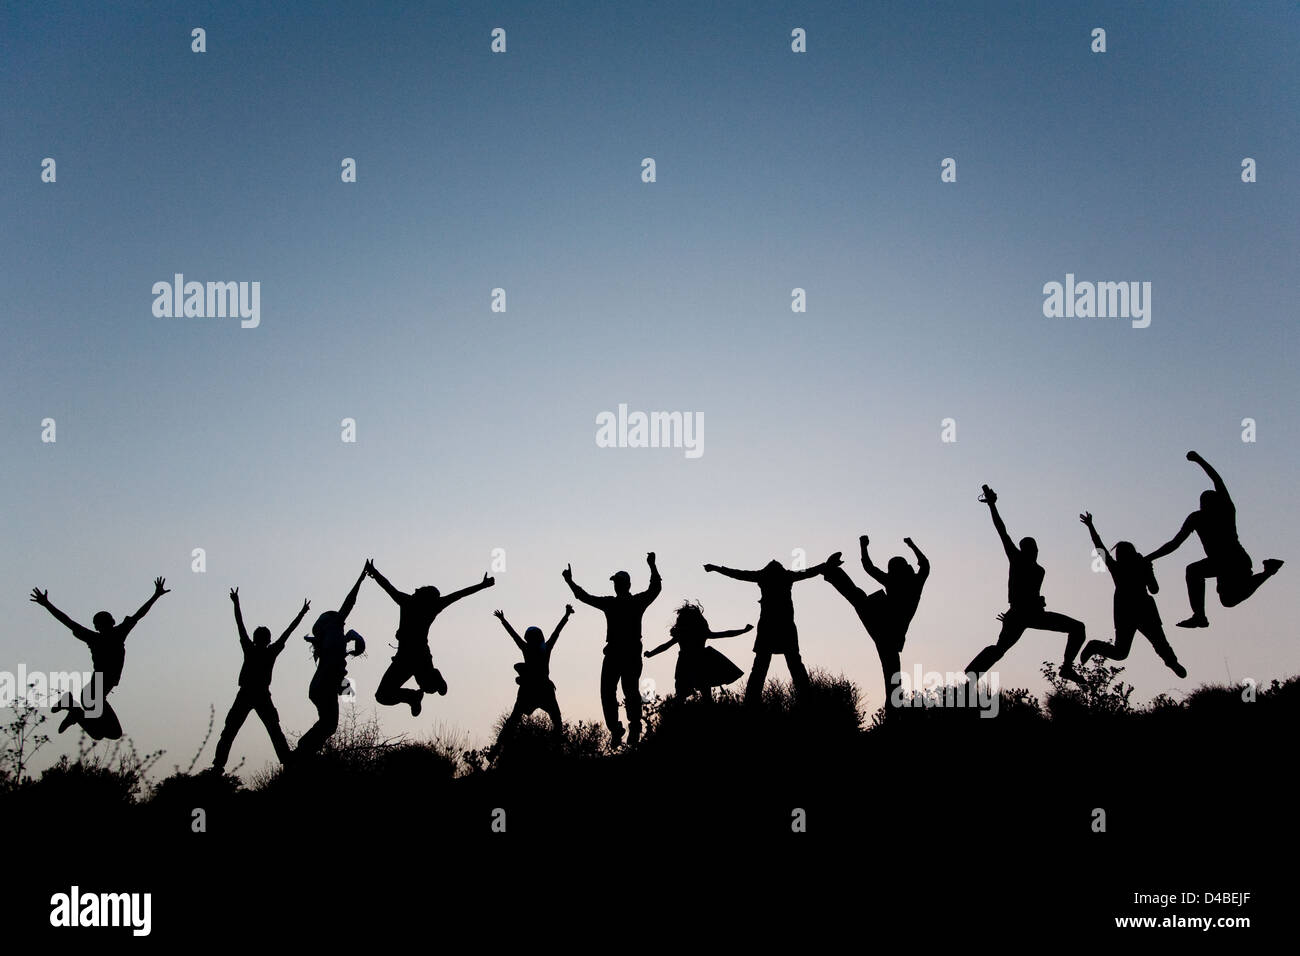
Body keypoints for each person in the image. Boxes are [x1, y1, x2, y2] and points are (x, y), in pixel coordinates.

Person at [1145, 451, 1283, 628]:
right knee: (1227, 600)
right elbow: (1174, 543)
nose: (1204, 505)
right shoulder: (1197, 518)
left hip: (1235, 560)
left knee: (1196, 572)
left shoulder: (1226, 510)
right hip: (1220, 563)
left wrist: (1199, 460)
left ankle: (1199, 616)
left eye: (1208, 502)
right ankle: (1268, 571)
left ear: (1215, 503)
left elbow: (1217, 480)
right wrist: (1150, 557)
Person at [965, 486, 1087, 684]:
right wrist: (992, 506)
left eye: (1034, 546)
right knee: (1000, 648)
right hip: (1020, 614)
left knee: (1078, 628)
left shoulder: (1039, 569)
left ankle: (1066, 668)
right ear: (1025, 549)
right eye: (1030, 547)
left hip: (1033, 614)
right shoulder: (1017, 559)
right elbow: (1001, 531)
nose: (1034, 549)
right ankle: (971, 675)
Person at [29, 577, 169, 740]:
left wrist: (156, 595)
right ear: (110, 622)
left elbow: (68, 622)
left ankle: (74, 710)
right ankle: (72, 708)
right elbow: (68, 622)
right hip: (92, 695)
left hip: (93, 695)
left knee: (101, 733)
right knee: (110, 733)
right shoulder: (112, 635)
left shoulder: (109, 636)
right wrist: (156, 595)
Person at [704, 553, 839, 705]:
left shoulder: (765, 576)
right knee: (792, 665)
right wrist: (826, 565)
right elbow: (809, 572)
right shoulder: (786, 576)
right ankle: (805, 699)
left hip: (770, 627)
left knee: (763, 667)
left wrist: (716, 568)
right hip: (783, 626)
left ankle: (752, 701)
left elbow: (738, 574)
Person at [366, 560, 495, 716]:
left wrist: (374, 572)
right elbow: (458, 595)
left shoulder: (410, 602)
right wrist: (482, 585)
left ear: (422, 595)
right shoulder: (429, 605)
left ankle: (427, 684)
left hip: (413, 658)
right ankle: (413, 696)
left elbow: (388, 587)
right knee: (388, 695)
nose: (414, 591)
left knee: (419, 689)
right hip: (412, 657)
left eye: (417, 591)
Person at [563, 553, 661, 748]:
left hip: (622, 653)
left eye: (618, 582)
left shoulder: (621, 602)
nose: (616, 585)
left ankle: (628, 728)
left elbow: (583, 596)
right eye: (615, 582)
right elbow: (655, 588)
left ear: (625, 585)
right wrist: (652, 566)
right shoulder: (630, 602)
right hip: (621, 653)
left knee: (622, 691)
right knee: (617, 691)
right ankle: (622, 729)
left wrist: (570, 582)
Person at [822, 535, 929, 709]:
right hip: (884, 623)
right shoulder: (909, 581)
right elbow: (924, 564)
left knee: (892, 674)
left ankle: (894, 710)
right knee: (892, 673)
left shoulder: (905, 581)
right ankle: (832, 572)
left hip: (887, 628)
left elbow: (870, 567)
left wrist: (864, 546)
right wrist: (911, 546)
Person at [212, 588, 310, 772]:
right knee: (272, 729)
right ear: (267, 639)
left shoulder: (252, 649)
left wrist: (236, 603)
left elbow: (240, 625)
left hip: (250, 693)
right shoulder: (269, 651)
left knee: (232, 730)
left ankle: (218, 765)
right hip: (257, 694)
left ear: (257, 638)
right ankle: (287, 760)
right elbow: (288, 631)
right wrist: (301, 614)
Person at [1078, 513, 1186, 678]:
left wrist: (1148, 571)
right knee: (1128, 651)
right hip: (1128, 611)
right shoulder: (1120, 568)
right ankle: (1094, 646)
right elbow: (1100, 548)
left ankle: (1172, 663)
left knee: (1156, 644)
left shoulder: (1132, 567)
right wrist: (1091, 527)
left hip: (1140, 609)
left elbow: (1154, 589)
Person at [296, 566, 368, 757]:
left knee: (330, 723)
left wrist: (355, 638)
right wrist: (361, 579)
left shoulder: (332, 639)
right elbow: (349, 603)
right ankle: (304, 748)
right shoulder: (334, 628)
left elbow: (340, 653)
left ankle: (307, 749)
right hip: (326, 684)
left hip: (322, 685)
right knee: (330, 724)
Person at [493, 604, 572, 740]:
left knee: (514, 718)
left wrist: (503, 620)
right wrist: (566, 615)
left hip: (530, 688)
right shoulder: (544, 648)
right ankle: (557, 745)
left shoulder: (528, 648)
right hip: (541, 688)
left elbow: (514, 635)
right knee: (556, 720)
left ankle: (497, 748)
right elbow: (556, 632)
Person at [645, 601, 750, 701]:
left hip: (691, 664)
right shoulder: (690, 632)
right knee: (700, 695)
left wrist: (651, 653)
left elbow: (665, 646)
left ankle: (676, 714)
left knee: (685, 695)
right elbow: (725, 634)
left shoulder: (685, 633)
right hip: (696, 664)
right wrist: (743, 631)